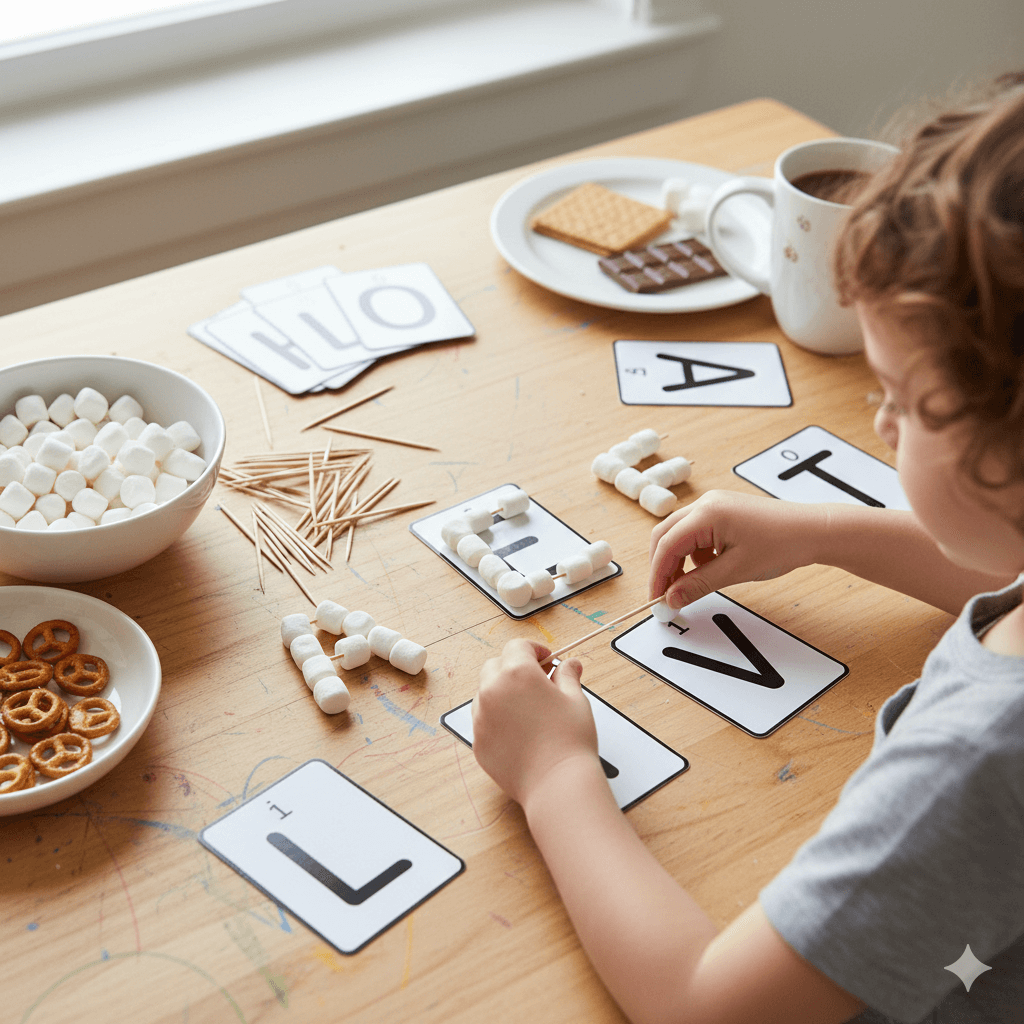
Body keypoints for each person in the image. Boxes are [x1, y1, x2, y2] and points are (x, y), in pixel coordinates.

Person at [471, 73, 1024, 1024]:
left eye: (896, 393)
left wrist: (554, 777)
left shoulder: (978, 762)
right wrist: (818, 531)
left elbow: (703, 1009)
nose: (876, 418)